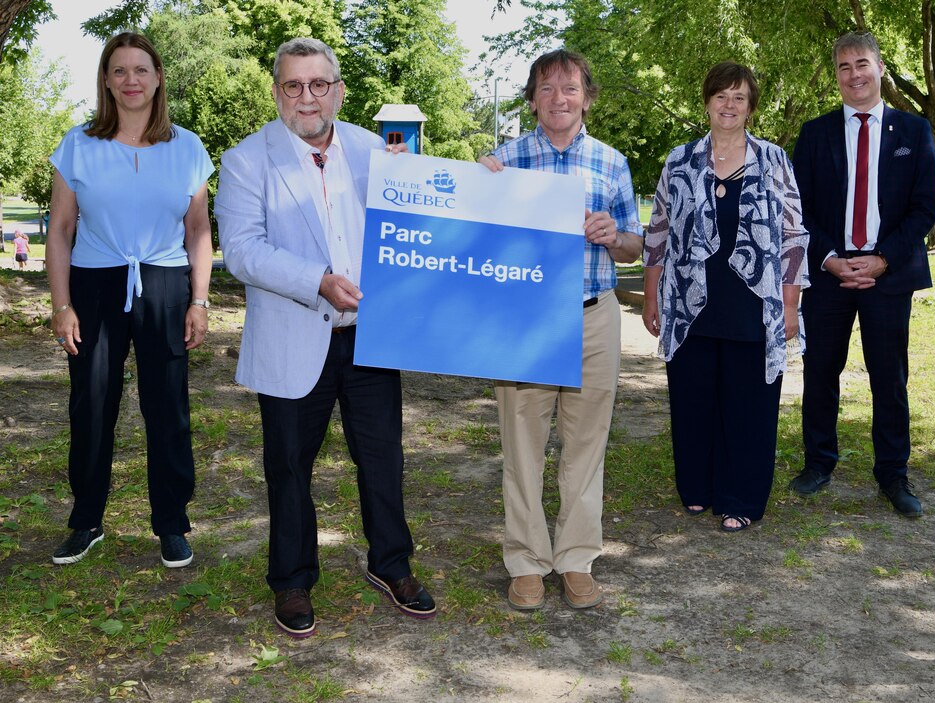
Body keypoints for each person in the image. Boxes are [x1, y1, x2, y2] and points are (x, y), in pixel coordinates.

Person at [215, 37, 435, 639]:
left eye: (318, 85)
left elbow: (426, 213)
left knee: (383, 460)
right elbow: (241, 250)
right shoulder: (244, 161)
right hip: (292, 336)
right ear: (277, 92)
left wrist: (483, 182)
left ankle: (391, 565)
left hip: (369, 339)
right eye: (293, 85)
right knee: (288, 467)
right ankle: (291, 580)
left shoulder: (373, 150)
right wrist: (318, 281)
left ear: (337, 90)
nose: (306, 97)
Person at [479, 49, 642, 611]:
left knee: (586, 444)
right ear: (531, 99)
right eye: (547, 89)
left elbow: (636, 245)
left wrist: (613, 235)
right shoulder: (501, 162)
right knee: (522, 443)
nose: (558, 99)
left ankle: (576, 559)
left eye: (569, 88)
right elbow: (478, 241)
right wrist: (479, 190)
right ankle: (526, 560)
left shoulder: (612, 163)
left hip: (594, 316)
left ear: (587, 97)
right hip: (524, 322)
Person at [45, 31, 212, 569]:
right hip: (95, 286)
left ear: (158, 77)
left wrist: (200, 300)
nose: (131, 80)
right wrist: (61, 304)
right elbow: (62, 230)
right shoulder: (78, 143)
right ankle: (86, 520)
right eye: (120, 71)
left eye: (141, 69)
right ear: (106, 80)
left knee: (168, 410)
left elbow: (198, 231)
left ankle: (171, 524)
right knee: (92, 406)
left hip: (164, 285)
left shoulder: (186, 146)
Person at [642, 62, 807, 533]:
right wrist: (652, 297)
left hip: (754, 305)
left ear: (751, 106)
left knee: (749, 405)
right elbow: (658, 232)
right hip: (690, 304)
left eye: (739, 97)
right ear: (707, 102)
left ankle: (741, 497)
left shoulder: (774, 160)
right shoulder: (680, 160)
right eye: (721, 96)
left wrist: (791, 304)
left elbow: (795, 234)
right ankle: (698, 487)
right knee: (694, 400)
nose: (728, 105)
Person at [789, 31, 935, 517]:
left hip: (888, 273)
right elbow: (800, 207)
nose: (854, 74)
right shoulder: (815, 133)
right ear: (837, 76)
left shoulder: (914, 131)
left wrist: (883, 259)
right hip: (829, 270)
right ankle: (818, 463)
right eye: (844, 67)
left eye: (862, 64)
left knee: (889, 378)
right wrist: (830, 257)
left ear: (880, 69)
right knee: (820, 371)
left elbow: (924, 209)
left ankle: (893, 474)